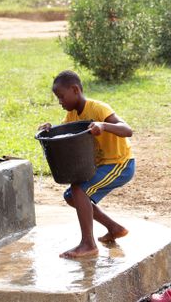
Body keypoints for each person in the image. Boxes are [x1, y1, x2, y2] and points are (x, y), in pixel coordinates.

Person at [38, 70, 135, 258]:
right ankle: (114, 228)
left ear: (75, 90)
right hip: (100, 165)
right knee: (71, 196)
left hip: (120, 164)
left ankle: (88, 244)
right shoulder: (72, 116)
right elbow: (65, 135)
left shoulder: (98, 108)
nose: (60, 102)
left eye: (61, 97)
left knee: (78, 190)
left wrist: (104, 125)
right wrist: (50, 130)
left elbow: (127, 130)